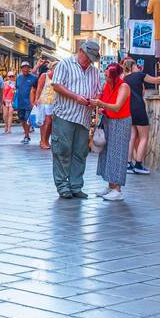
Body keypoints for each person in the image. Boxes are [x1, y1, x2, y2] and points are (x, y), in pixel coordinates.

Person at [49, 40, 103, 199]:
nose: (89, 62)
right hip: (65, 114)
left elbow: (98, 91)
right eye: (87, 58)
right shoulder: (65, 64)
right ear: (80, 51)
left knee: (80, 152)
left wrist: (94, 101)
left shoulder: (93, 71)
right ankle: (62, 185)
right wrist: (75, 97)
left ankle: (76, 185)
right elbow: (56, 85)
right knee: (62, 150)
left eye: (91, 59)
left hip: (84, 118)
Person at [93, 61, 131, 201]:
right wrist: (99, 104)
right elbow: (104, 101)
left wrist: (101, 104)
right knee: (107, 153)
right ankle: (110, 185)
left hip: (121, 122)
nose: (106, 78)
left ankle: (117, 189)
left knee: (118, 153)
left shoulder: (124, 86)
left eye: (109, 76)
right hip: (108, 121)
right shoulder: (107, 85)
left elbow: (117, 107)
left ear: (115, 76)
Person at [122, 56, 160, 174]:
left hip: (129, 109)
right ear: (133, 66)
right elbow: (155, 80)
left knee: (132, 136)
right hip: (139, 108)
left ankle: (128, 164)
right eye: (136, 65)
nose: (138, 67)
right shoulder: (140, 75)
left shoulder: (125, 79)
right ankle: (139, 164)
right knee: (144, 137)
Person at [34, 58, 57, 150]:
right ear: (52, 68)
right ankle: (43, 141)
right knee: (45, 122)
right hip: (44, 101)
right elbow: (39, 88)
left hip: (54, 102)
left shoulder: (58, 77)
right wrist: (36, 99)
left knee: (50, 123)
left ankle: (46, 140)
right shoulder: (44, 75)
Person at [13, 61, 38, 144]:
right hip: (20, 102)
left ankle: (26, 135)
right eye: (24, 67)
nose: (25, 69)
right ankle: (26, 134)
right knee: (22, 119)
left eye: (27, 67)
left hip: (29, 102)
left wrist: (35, 101)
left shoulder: (34, 78)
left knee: (27, 119)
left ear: (29, 69)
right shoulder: (19, 77)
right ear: (21, 69)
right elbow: (16, 89)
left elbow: (37, 90)